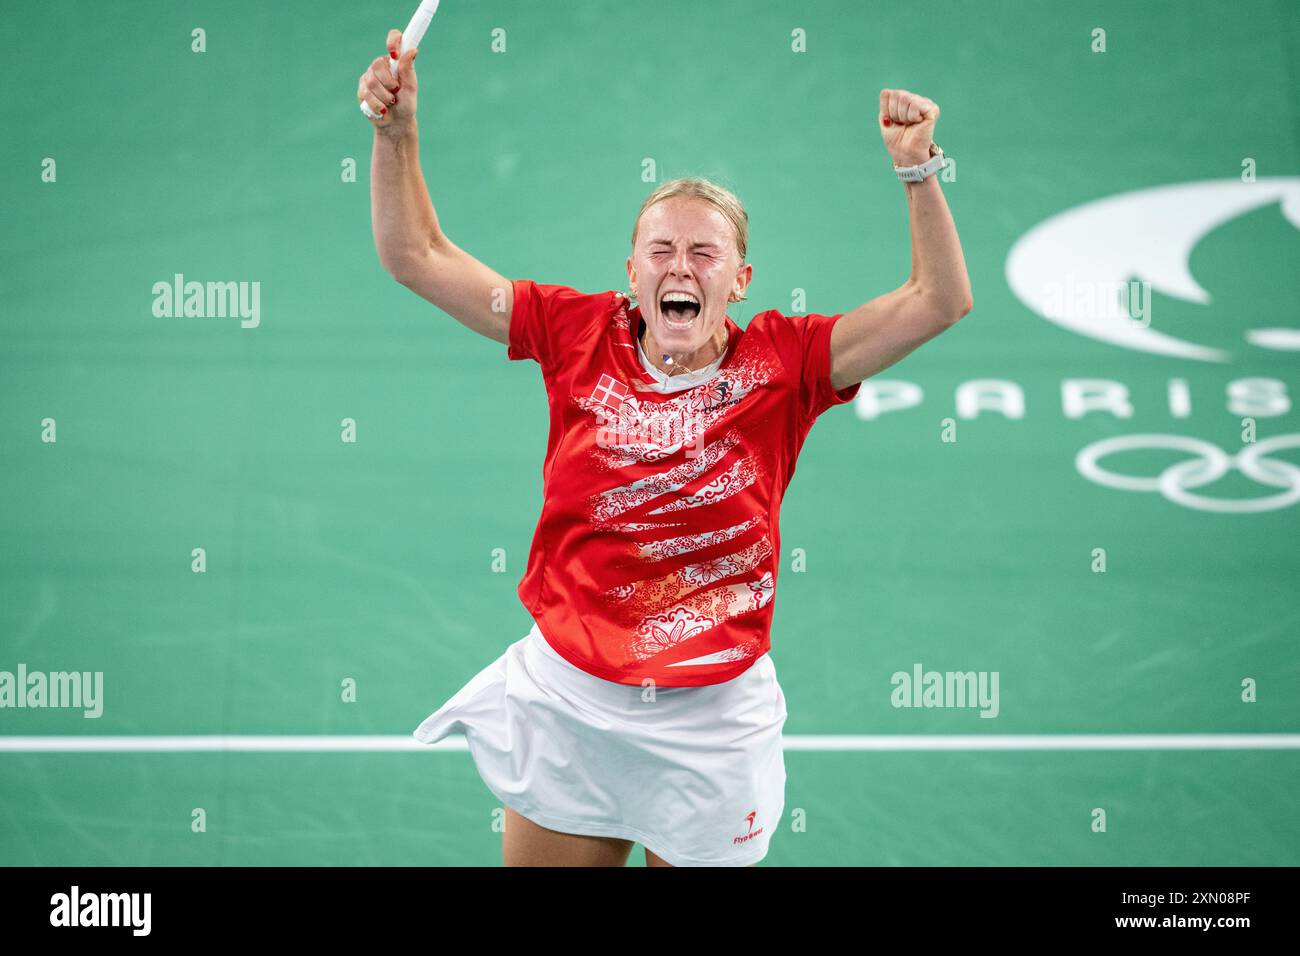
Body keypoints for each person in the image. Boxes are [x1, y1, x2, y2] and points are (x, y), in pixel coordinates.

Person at [358, 30, 972, 867]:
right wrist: (397, 136)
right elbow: (415, 256)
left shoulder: (786, 364)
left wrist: (917, 168)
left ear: (739, 280)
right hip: (570, 698)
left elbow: (939, 300)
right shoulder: (575, 331)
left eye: (703, 252)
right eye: (661, 250)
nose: (680, 265)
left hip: (711, 720)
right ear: (632, 274)